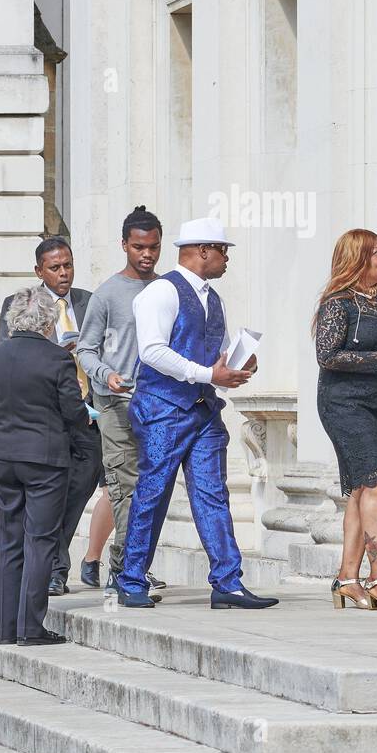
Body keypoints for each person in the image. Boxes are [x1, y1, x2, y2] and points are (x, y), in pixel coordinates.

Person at [116, 218, 279, 610]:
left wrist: (239, 365)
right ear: (203, 250)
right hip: (163, 409)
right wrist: (208, 373)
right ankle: (130, 579)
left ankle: (227, 582)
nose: (226, 259)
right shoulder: (162, 291)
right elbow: (151, 351)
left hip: (203, 409)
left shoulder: (213, 299)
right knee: (153, 494)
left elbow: (217, 352)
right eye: (223, 250)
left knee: (213, 495)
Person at [0, 287, 95, 645]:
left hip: (3, 455)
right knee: (41, 541)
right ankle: (30, 628)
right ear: (49, 322)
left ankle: (6, 628)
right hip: (44, 457)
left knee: (10, 541)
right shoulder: (57, 358)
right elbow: (73, 410)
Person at [0, 237, 105, 595]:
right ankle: (54, 570)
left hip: (87, 415)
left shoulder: (91, 302)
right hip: (43, 418)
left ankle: (54, 563)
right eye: (55, 268)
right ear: (39, 271)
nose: (63, 273)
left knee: (79, 489)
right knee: (47, 497)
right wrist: (55, 353)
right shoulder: (20, 305)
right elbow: (9, 354)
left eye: (68, 265)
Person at [314, 229, 377, 610]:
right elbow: (327, 355)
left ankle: (347, 579)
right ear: (357, 259)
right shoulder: (338, 303)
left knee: (361, 490)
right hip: (344, 405)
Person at [76, 204, 166, 590]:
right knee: (125, 485)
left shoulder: (167, 290)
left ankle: (130, 565)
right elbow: (85, 349)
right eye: (138, 247)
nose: (146, 254)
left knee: (153, 487)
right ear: (124, 246)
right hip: (115, 404)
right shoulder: (107, 295)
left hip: (160, 404)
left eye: (153, 247)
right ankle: (125, 568)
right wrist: (106, 375)